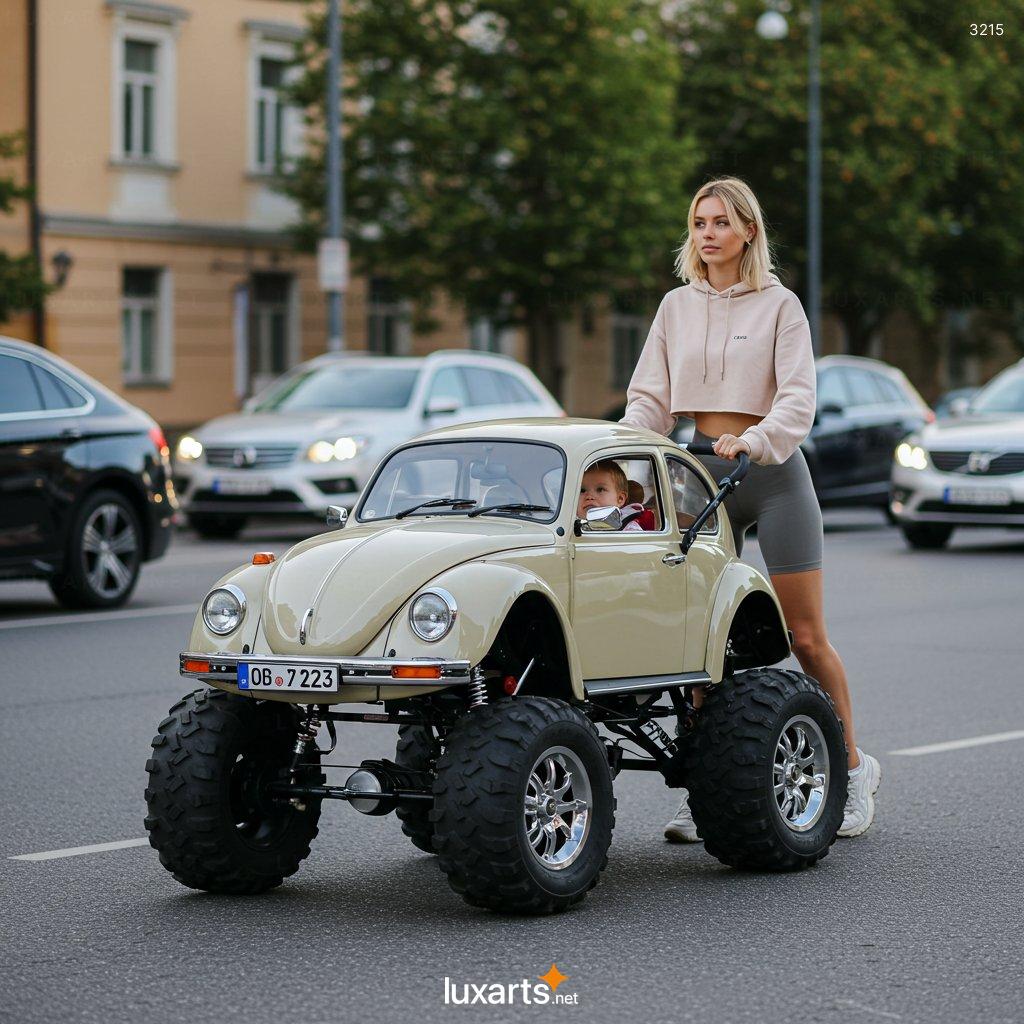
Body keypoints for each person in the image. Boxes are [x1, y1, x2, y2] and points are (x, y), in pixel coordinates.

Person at [620, 176, 880, 841]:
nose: (706, 234)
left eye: (719, 223)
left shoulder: (780, 305)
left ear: (747, 232)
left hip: (772, 471)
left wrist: (757, 439)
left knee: (805, 637)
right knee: (707, 647)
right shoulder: (676, 306)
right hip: (700, 475)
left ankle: (850, 770)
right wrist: (625, 452)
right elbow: (649, 397)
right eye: (698, 223)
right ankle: (710, 787)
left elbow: (798, 398)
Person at [578, 460, 646, 531]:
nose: (589, 497)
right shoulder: (569, 525)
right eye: (582, 490)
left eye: (600, 489)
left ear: (620, 499)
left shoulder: (629, 529)